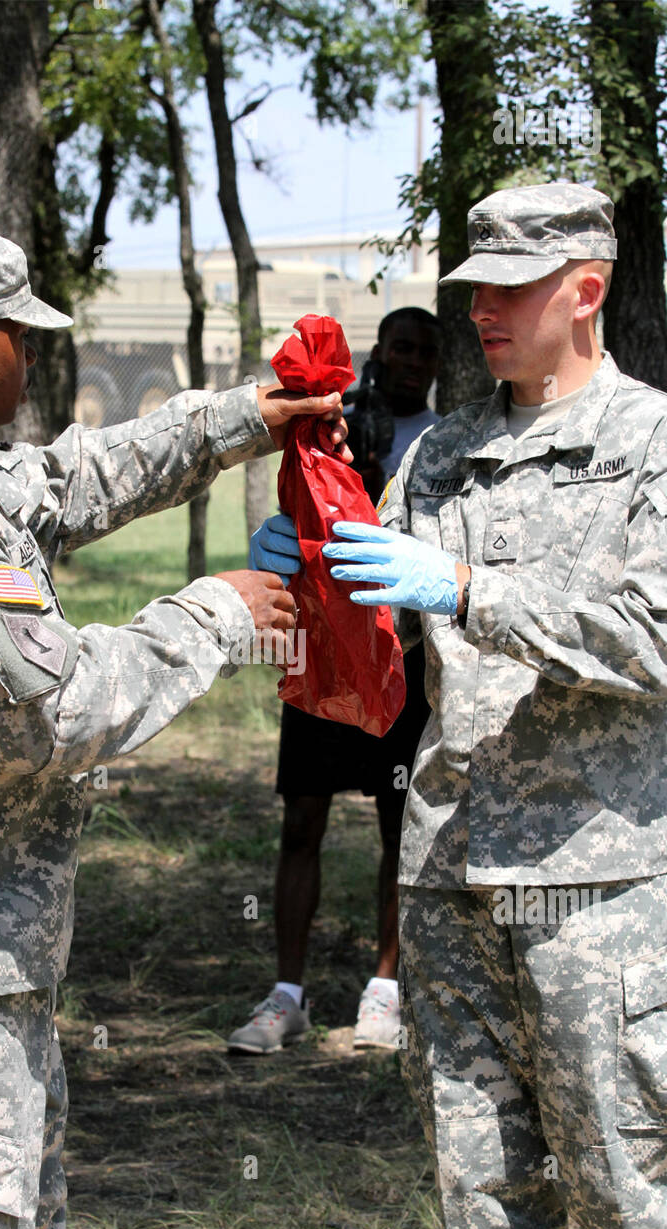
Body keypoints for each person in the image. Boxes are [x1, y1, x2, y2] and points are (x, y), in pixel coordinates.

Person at [0, 222, 351, 1229]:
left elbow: (69, 480)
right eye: (17, 335)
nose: (31, 357)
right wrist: (212, 614)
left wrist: (240, 419)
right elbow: (51, 710)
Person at [254, 183, 667, 1229]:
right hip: (449, 883)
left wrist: (464, 588)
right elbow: (373, 617)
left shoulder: (657, 445)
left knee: (632, 1205)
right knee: (484, 1212)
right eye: (470, 290)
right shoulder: (440, 451)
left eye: (508, 287)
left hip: (601, 892)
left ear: (585, 290)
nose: (479, 311)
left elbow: (663, 635)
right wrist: (314, 513)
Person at [227, 310, 439, 1055]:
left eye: (425, 352)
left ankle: (384, 990)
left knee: (397, 824)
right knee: (302, 819)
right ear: (381, 352)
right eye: (399, 348)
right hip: (320, 652)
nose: (410, 362)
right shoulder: (339, 425)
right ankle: (287, 995)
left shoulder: (438, 445)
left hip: (395, 655)